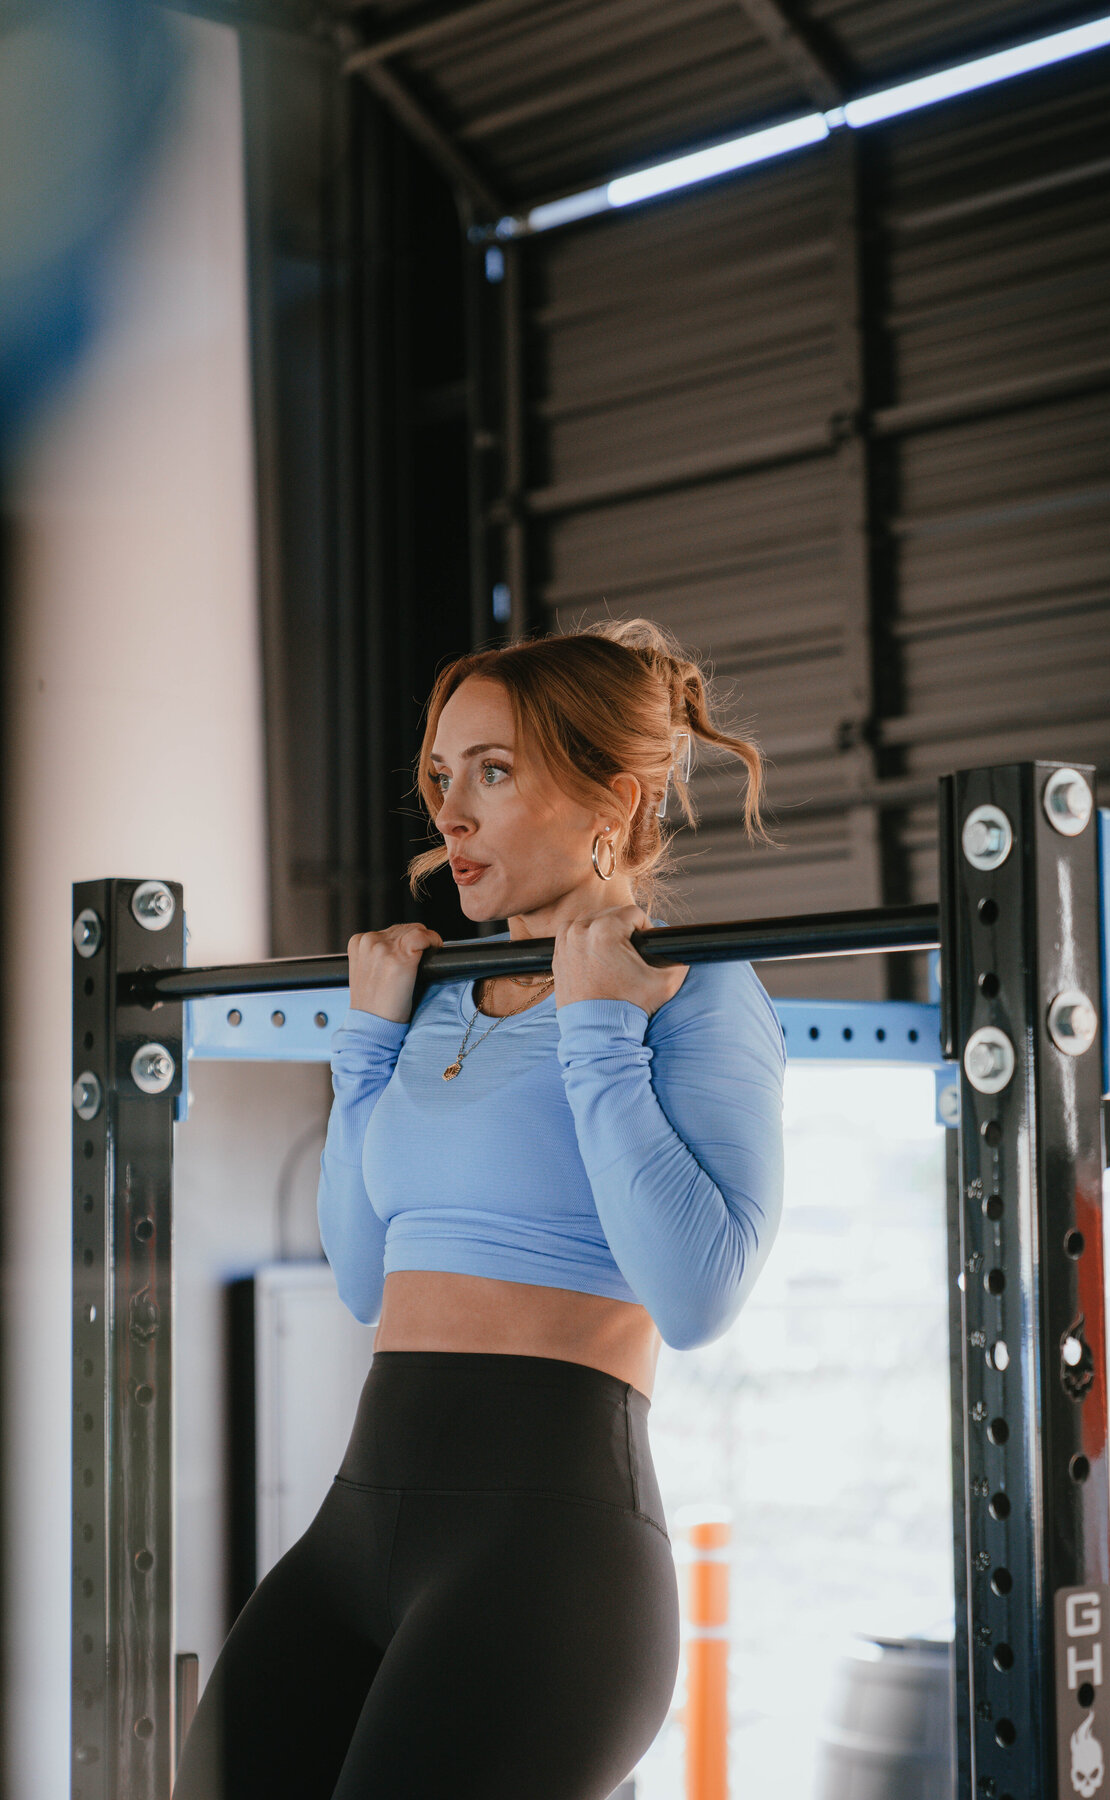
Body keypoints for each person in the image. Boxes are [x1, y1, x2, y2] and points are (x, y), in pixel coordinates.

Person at [173, 617, 787, 1799]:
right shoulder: (440, 997)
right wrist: (365, 1048)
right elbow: (364, 1277)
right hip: (357, 1524)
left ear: (613, 796)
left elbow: (701, 1293)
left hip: (548, 1553)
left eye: (493, 773)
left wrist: (600, 1029)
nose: (450, 813)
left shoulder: (697, 990)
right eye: (443, 777)